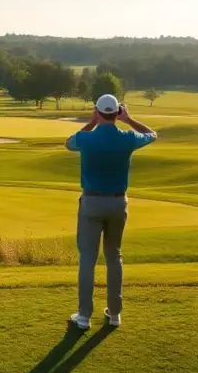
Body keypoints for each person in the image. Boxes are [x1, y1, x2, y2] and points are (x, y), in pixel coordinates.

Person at [65, 94, 157, 330]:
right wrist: (129, 119)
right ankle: (115, 314)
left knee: (88, 258)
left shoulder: (87, 139)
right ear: (117, 112)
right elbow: (152, 134)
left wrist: (92, 122)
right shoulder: (127, 138)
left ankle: (84, 317)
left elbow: (69, 142)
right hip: (118, 203)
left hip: (91, 202)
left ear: (97, 111)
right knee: (114, 256)